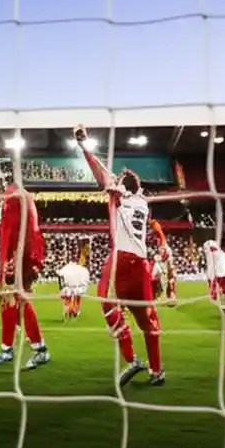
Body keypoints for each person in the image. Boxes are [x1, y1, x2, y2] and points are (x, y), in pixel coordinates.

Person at [74, 125, 165, 387]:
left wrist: (84, 145)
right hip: (141, 263)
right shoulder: (143, 202)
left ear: (122, 184)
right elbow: (121, 182)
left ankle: (132, 358)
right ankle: (157, 371)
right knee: (146, 318)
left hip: (121, 259)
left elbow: (102, 174)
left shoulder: (120, 195)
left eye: (120, 177)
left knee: (106, 301)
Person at [0, 177, 49, 369]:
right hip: (21, 257)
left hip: (17, 259)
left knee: (16, 302)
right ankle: (9, 349)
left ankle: (39, 350)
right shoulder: (23, 196)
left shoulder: (13, 196)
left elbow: (15, 231)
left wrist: (12, 263)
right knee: (11, 304)